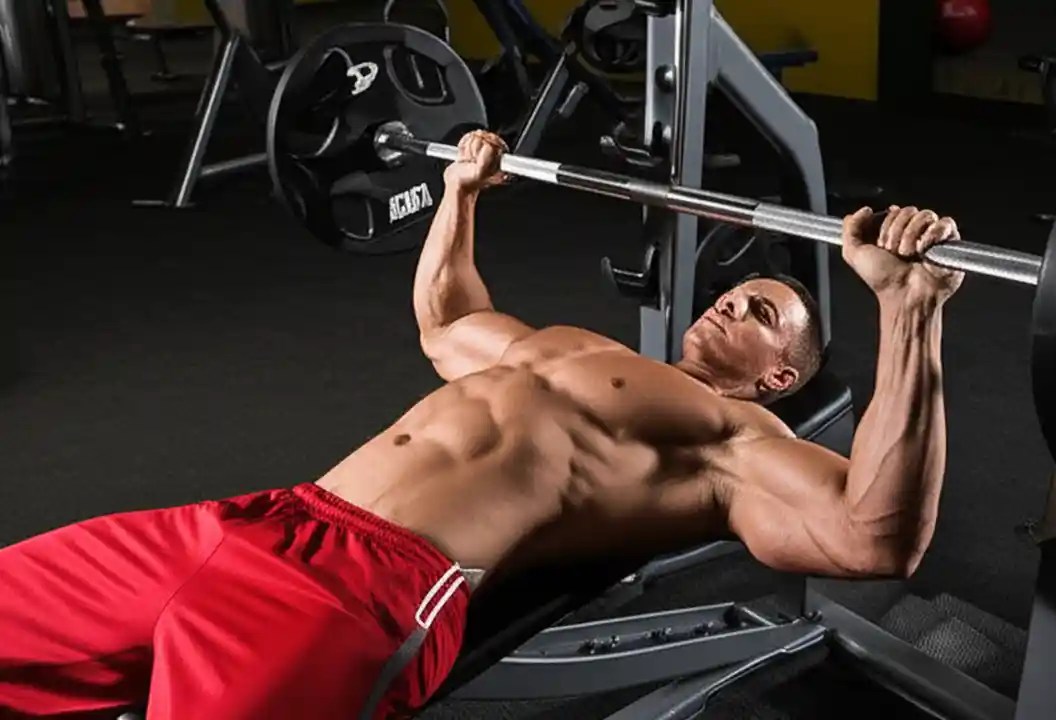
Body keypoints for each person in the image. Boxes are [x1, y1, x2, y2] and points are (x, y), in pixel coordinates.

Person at [0, 131, 963, 720]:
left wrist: (908, 310)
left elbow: (874, 536)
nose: (728, 308)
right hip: (257, 521)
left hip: (362, 594)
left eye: (761, 316)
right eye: (735, 294)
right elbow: (447, 322)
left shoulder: (734, 443)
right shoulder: (573, 346)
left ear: (780, 376)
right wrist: (457, 199)